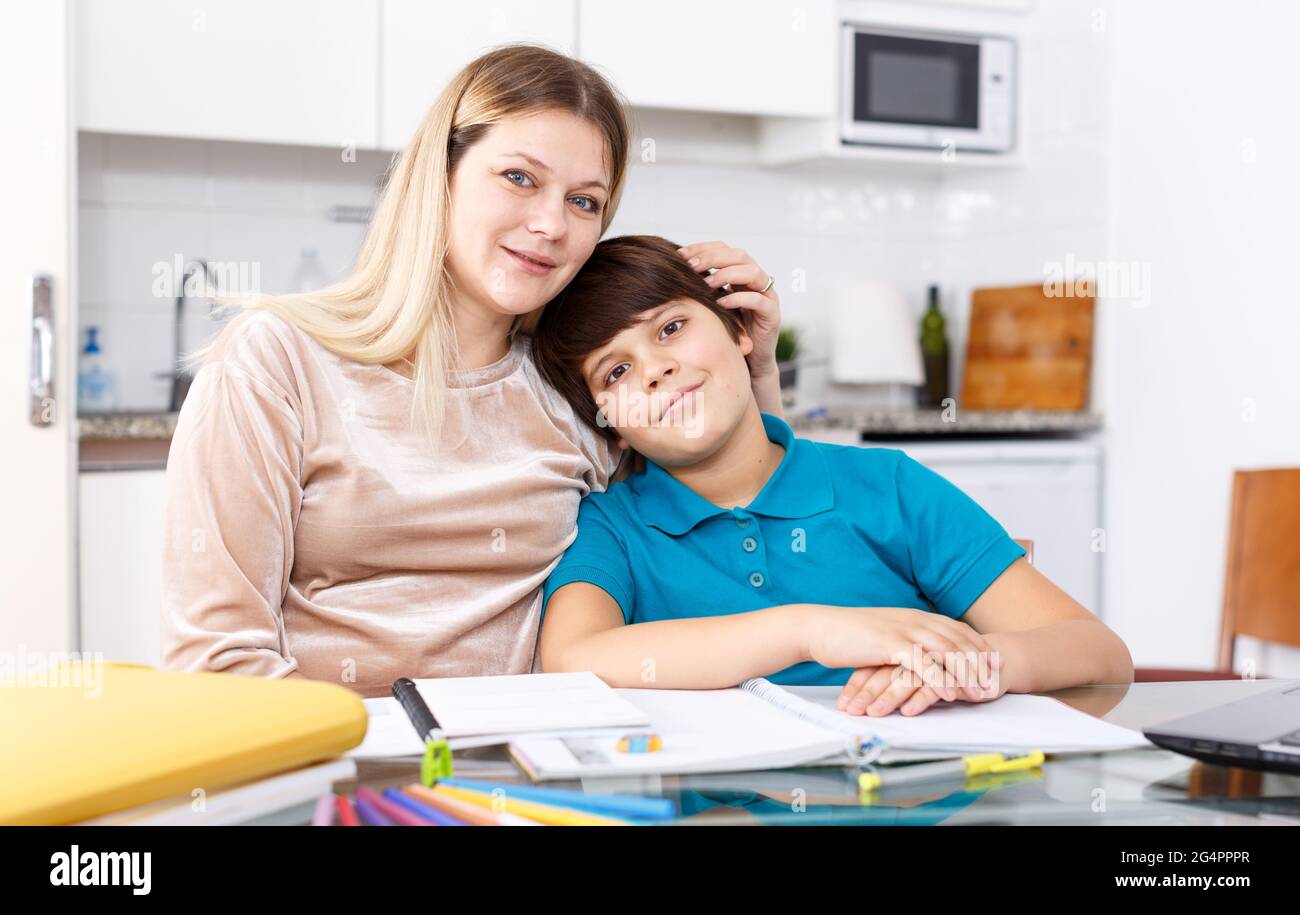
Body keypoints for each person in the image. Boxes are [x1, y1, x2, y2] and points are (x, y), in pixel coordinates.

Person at [160, 46, 784, 698]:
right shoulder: (276, 361)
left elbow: (730, 528)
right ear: (442, 173)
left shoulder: (582, 387)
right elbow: (219, 659)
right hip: (342, 751)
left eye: (583, 201)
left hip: (540, 754)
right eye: (519, 177)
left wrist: (756, 367)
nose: (551, 224)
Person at [532, 235, 1134, 716]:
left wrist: (966, 664)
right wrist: (806, 630)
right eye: (615, 373)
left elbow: (1099, 653)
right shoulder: (611, 526)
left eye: (670, 329)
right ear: (609, 424)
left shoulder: (888, 486)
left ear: (740, 331)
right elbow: (572, 658)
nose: (656, 370)